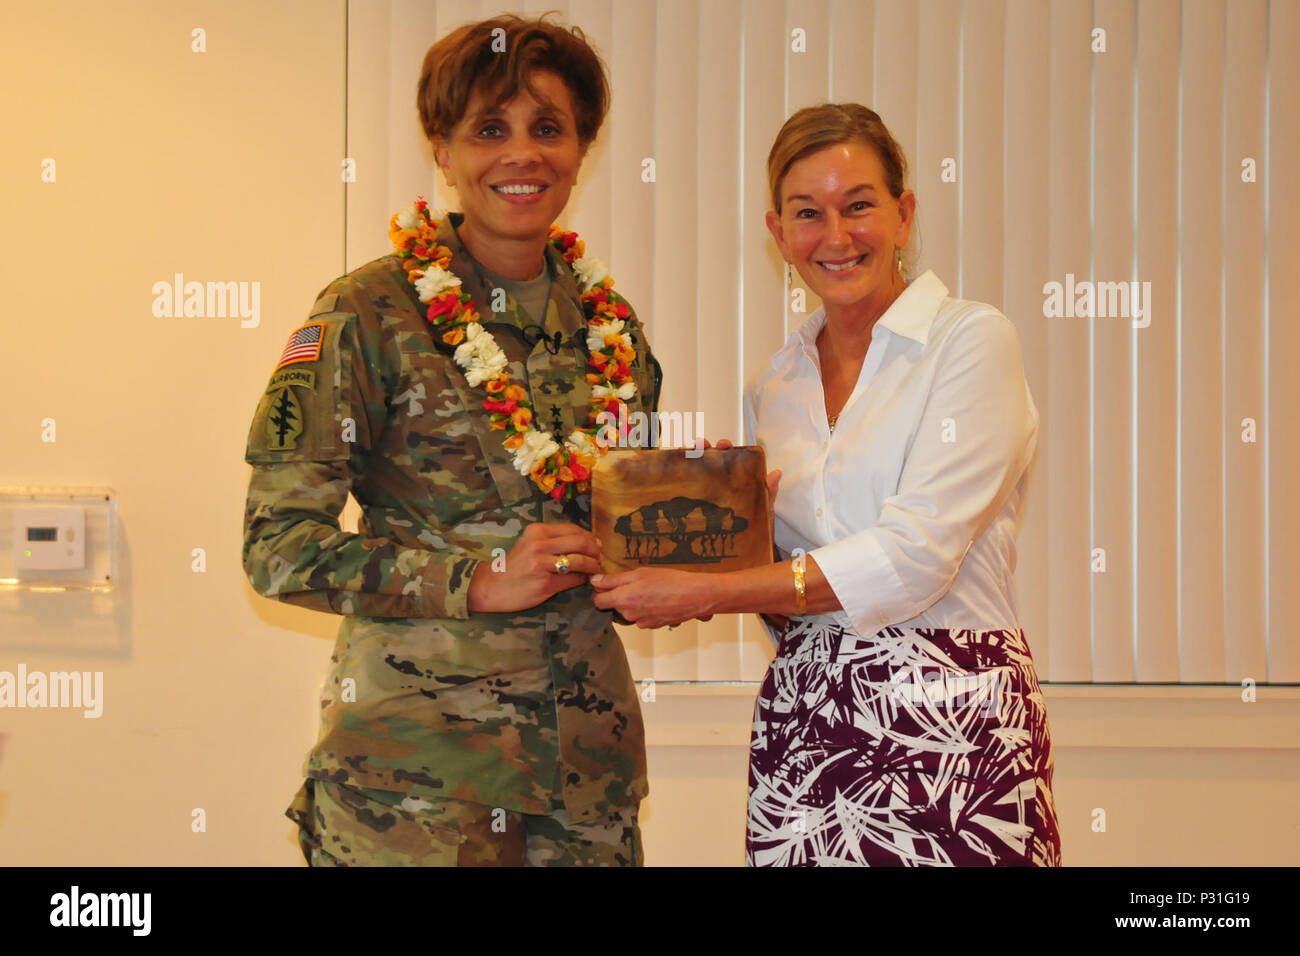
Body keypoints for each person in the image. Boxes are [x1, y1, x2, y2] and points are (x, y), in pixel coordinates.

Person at [591, 103, 1061, 867]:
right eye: (808, 213)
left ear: (904, 215)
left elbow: (914, 560)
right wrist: (724, 530)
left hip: (953, 716)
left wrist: (708, 593)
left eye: (860, 206)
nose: (836, 237)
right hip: (807, 714)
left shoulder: (970, 342)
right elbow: (786, 606)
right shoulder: (770, 385)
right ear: (778, 234)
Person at [242, 13, 662, 866]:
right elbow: (276, 548)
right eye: (489, 129)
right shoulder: (365, 313)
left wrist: (703, 531)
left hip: (588, 785)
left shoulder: (614, 330)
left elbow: (621, 528)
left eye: (549, 128)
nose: (522, 155)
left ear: (582, 149)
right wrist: (475, 581)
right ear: (443, 148)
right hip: (416, 791)